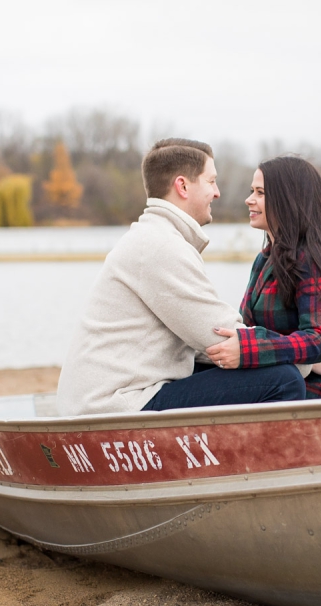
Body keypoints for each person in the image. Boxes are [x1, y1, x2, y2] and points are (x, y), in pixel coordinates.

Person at [56, 139, 306, 416]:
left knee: (245, 367)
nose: (217, 192)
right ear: (183, 186)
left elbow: (205, 345)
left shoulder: (153, 237)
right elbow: (220, 334)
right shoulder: (161, 247)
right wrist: (310, 358)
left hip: (108, 397)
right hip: (115, 404)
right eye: (211, 181)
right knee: (284, 380)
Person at [205, 155, 321, 398]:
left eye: (260, 193)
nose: (249, 200)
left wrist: (251, 347)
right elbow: (250, 326)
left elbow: (319, 339)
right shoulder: (265, 259)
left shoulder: (314, 258)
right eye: (252, 191)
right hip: (289, 381)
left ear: (288, 199)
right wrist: (309, 363)